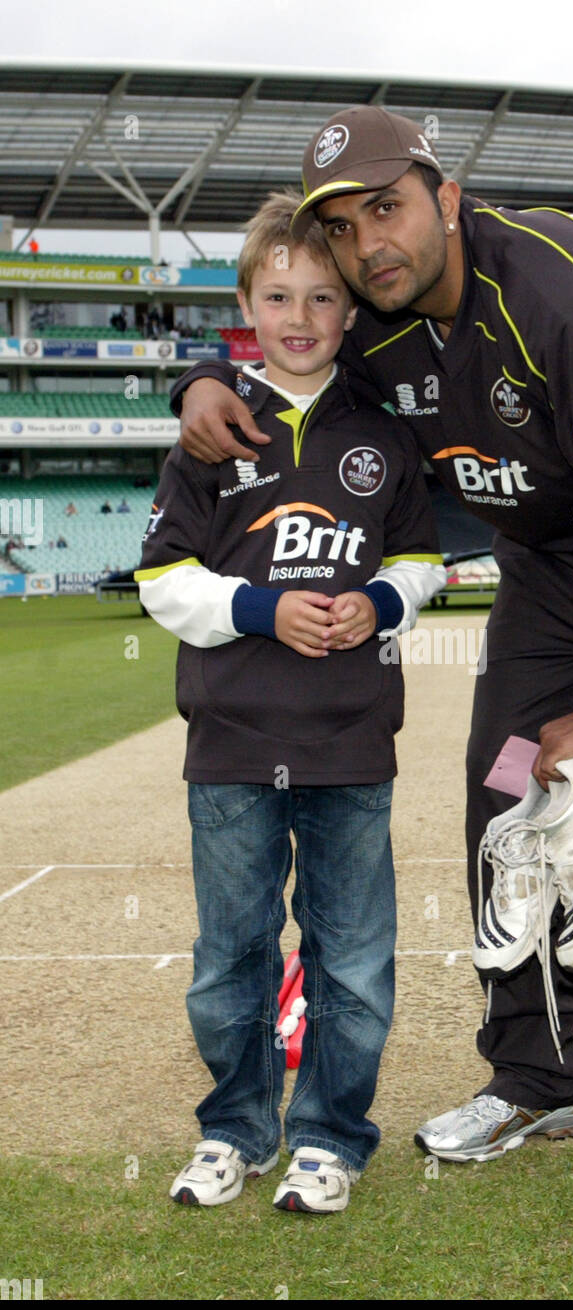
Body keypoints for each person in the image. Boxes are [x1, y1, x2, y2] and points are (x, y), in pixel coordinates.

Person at [170, 107, 573, 1254]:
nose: (368, 246)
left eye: (384, 210)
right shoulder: (379, 316)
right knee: (506, 796)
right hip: (549, 566)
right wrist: (197, 381)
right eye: (342, 231)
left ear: (444, 196)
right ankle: (543, 1071)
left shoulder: (556, 289)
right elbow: (284, 346)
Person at [135, 186, 445, 1213]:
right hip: (229, 746)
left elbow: (422, 559)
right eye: (279, 296)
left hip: (352, 745)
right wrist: (263, 608)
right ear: (246, 307)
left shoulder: (383, 434)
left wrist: (381, 601)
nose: (301, 317)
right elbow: (161, 582)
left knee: (351, 964)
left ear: (348, 313)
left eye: (321, 296)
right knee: (227, 961)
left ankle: (328, 1138)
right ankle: (235, 1129)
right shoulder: (213, 430)